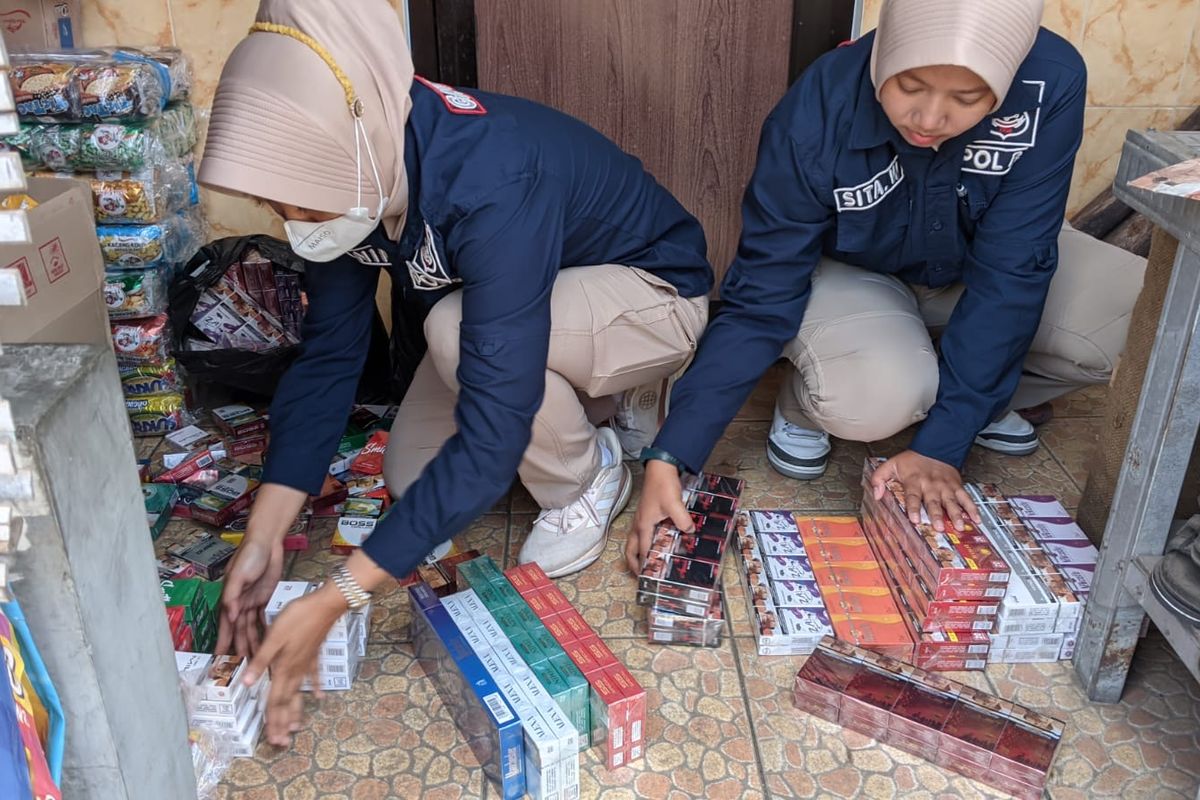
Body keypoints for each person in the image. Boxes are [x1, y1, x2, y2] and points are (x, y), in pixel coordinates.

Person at [200, 0, 712, 746]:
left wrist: (336, 597)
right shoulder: (348, 176)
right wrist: (266, 535)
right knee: (413, 481)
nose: (291, 217)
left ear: (356, 134)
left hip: (653, 296)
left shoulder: (490, 173)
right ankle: (592, 397)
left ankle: (587, 473)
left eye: (295, 196)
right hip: (532, 305)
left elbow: (495, 433)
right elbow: (331, 358)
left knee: (458, 333)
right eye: (271, 203)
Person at [628, 0, 1146, 571]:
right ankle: (816, 402)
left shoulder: (1053, 79)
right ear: (883, 58)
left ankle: (964, 400)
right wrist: (672, 455)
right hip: (856, 275)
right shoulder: (817, 109)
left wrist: (943, 446)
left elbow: (1014, 268)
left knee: (1140, 316)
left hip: (973, 263)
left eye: (968, 98)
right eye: (910, 86)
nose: (928, 117)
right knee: (876, 398)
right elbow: (762, 294)